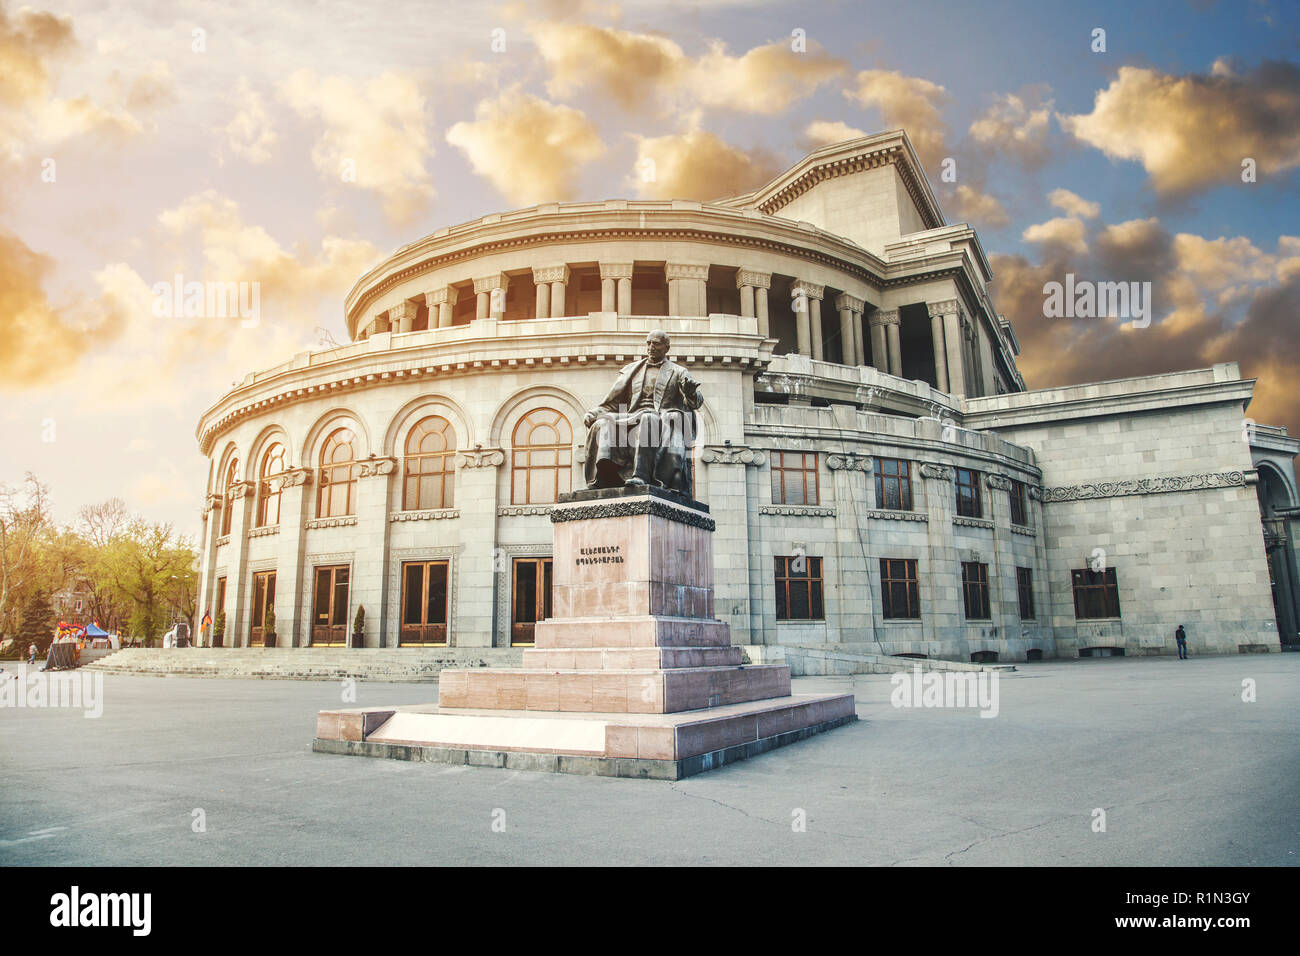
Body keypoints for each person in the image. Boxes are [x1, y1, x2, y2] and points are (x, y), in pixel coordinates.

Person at [582, 330, 705, 495]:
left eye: (656, 343)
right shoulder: (631, 370)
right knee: (602, 423)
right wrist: (594, 413)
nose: (651, 347)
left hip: (660, 417)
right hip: (631, 415)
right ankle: (604, 478)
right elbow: (612, 403)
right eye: (648, 343)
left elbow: (695, 402)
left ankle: (641, 475)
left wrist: (690, 392)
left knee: (649, 418)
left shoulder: (678, 372)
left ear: (666, 348)